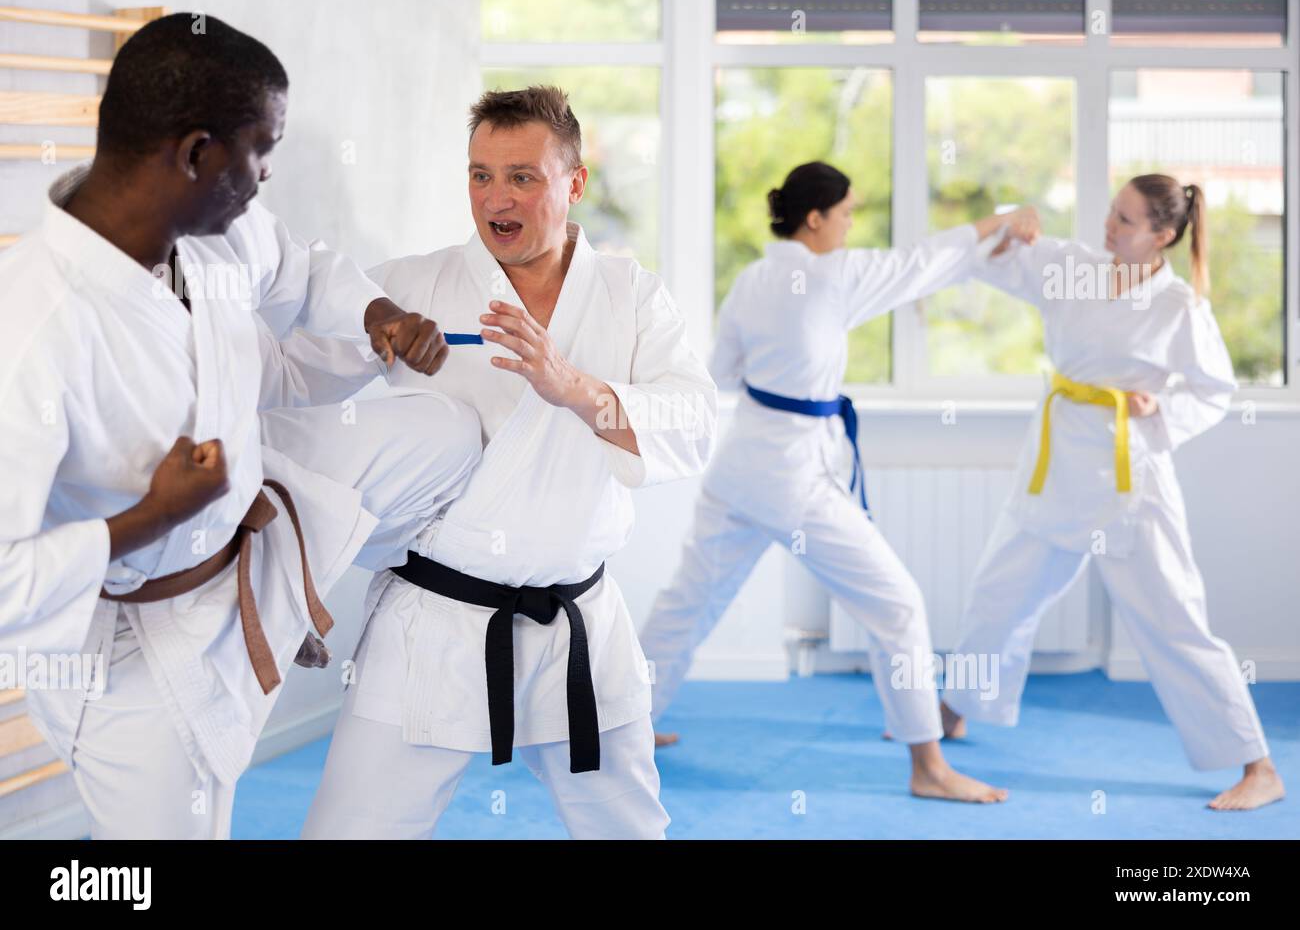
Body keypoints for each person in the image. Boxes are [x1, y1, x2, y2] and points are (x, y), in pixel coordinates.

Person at [0, 13, 481, 838]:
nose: (263, 177)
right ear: (194, 154)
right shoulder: (33, 329)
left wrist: (378, 310)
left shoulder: (206, 235)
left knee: (446, 436)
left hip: (239, 547)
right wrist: (150, 515)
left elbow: (301, 265)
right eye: (261, 150)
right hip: (125, 654)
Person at [300, 86, 717, 839]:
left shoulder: (631, 297)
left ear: (574, 184)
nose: (497, 196)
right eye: (481, 175)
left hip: (577, 626)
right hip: (432, 623)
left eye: (523, 176)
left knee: (630, 830)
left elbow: (693, 422)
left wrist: (573, 387)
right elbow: (297, 383)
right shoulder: (412, 286)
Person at [638, 161, 1036, 803]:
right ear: (816, 218)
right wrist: (1005, 218)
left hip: (741, 466)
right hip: (794, 480)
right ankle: (929, 768)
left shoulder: (752, 278)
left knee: (687, 601)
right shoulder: (834, 275)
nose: (852, 226)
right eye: (847, 213)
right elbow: (926, 261)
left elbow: (725, 373)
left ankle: (623, 727)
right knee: (898, 606)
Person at [941, 174, 1284, 811]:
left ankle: (1257, 765)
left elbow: (1213, 390)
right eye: (1111, 212)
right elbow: (992, 259)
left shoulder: (1179, 306)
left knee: (1175, 621)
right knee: (1001, 590)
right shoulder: (1072, 266)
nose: (1109, 226)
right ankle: (957, 705)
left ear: (1162, 235)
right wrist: (1009, 218)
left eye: (1126, 221)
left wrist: (1160, 405)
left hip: (1132, 476)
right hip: (1056, 461)